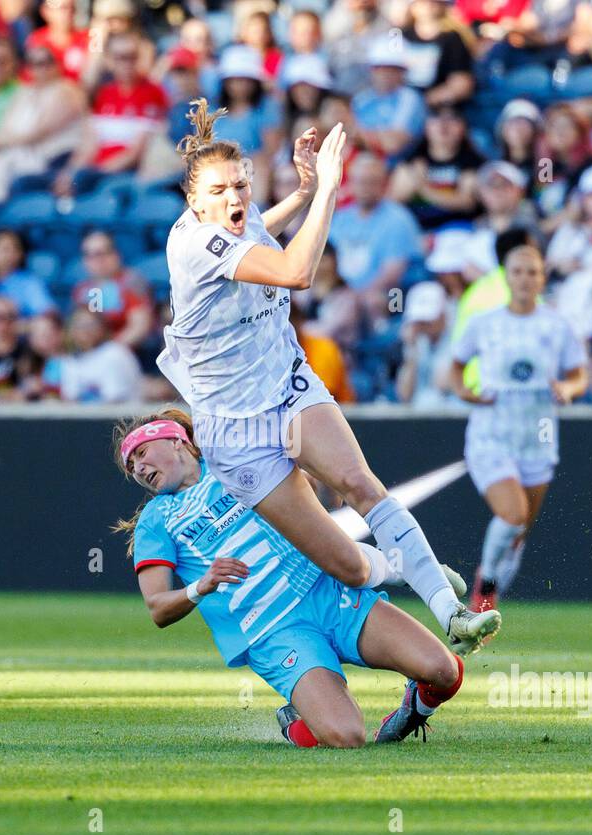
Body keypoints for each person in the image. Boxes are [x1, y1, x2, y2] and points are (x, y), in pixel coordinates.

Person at [159, 98, 499, 650]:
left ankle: (449, 609)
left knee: (360, 485)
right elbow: (297, 271)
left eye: (240, 185)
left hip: (287, 384)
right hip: (235, 431)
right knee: (346, 564)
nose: (234, 198)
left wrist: (302, 191)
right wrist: (330, 189)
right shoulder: (195, 243)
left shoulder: (233, 225)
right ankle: (411, 568)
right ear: (193, 202)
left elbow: (258, 234)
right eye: (218, 192)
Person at [114, 409, 487, 747]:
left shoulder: (233, 461)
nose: (137, 469)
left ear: (176, 439)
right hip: (272, 631)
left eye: (141, 453)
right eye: (130, 467)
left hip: (327, 593)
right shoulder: (157, 519)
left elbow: (300, 479)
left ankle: (413, 707)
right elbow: (157, 608)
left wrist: (310, 480)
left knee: (445, 672)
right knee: (348, 737)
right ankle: (297, 717)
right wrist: (201, 585)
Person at [449, 243, 588, 612]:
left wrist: (567, 389)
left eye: (533, 272)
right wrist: (466, 392)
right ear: (507, 277)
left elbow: (579, 375)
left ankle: (488, 607)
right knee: (512, 514)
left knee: (518, 533)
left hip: (538, 437)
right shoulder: (485, 322)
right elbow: (455, 367)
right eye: (518, 271)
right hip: (491, 434)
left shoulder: (556, 325)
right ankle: (486, 585)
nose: (525, 279)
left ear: (543, 278)